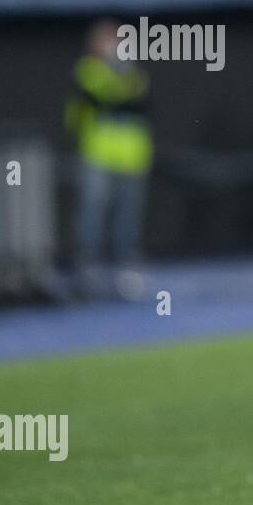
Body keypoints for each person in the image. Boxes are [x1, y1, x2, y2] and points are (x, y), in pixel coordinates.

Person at [66, 18, 152, 299]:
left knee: (127, 218)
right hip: (98, 156)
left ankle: (126, 272)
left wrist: (123, 82)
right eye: (107, 42)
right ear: (95, 46)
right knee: (92, 214)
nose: (114, 47)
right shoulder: (87, 71)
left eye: (117, 41)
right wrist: (120, 83)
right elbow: (106, 98)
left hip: (131, 157)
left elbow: (140, 101)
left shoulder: (133, 73)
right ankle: (86, 270)